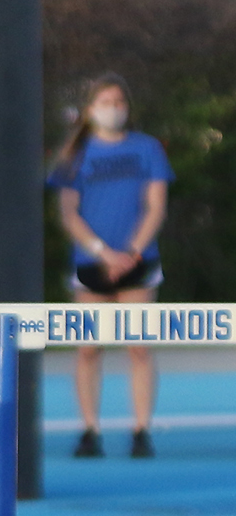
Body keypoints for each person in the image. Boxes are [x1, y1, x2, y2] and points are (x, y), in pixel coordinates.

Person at [52, 74, 171, 459]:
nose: (113, 108)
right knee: (88, 348)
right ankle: (90, 429)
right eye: (105, 102)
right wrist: (103, 253)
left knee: (138, 346)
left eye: (119, 101)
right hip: (91, 263)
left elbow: (156, 205)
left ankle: (141, 430)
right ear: (90, 109)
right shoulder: (75, 154)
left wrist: (132, 251)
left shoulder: (147, 148)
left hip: (138, 262)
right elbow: (69, 214)